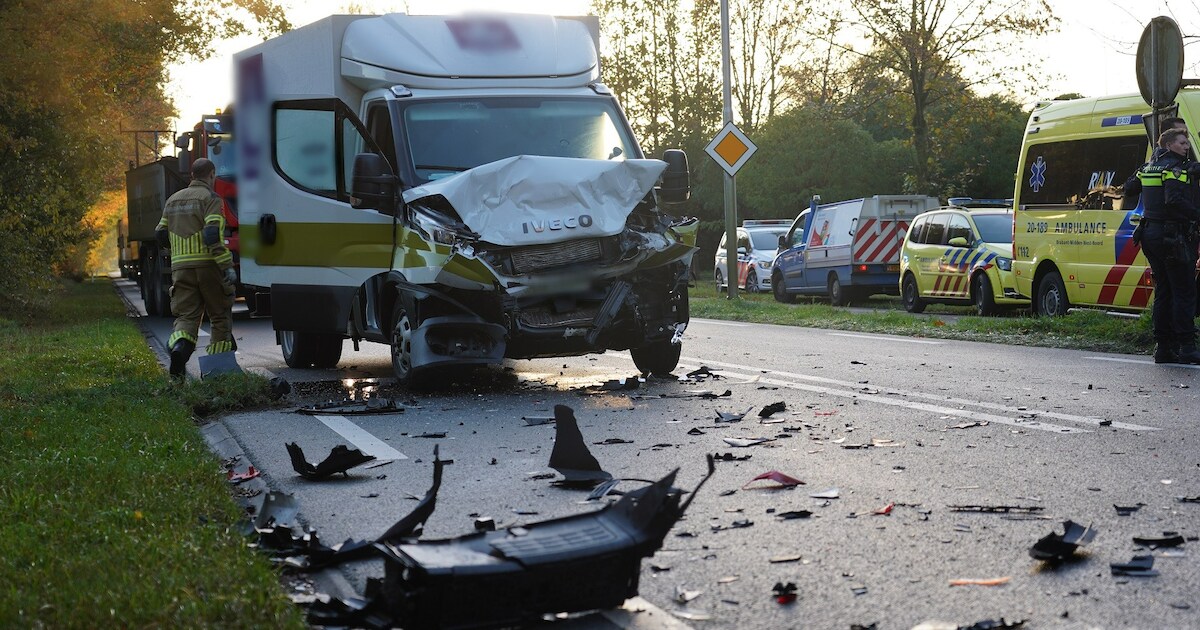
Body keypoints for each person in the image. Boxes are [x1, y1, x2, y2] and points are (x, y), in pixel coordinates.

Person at [156, 158, 237, 378]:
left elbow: (161, 234)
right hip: (208, 265)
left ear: (192, 175)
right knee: (219, 316)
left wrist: (180, 250)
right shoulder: (210, 198)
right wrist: (226, 266)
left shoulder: (172, 200)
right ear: (211, 175)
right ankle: (218, 373)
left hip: (181, 267)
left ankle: (179, 349)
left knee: (186, 317)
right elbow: (212, 235)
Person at [1129, 128, 1200, 364]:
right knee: (1184, 291)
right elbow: (1174, 200)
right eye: (1182, 143)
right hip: (1174, 236)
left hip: (1150, 234)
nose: (1186, 147)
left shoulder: (1149, 167)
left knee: (1164, 291)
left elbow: (1129, 188)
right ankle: (1187, 347)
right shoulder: (1175, 169)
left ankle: (1163, 347)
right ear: (1169, 145)